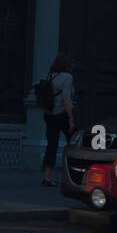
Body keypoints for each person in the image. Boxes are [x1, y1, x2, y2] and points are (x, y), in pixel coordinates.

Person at [41, 52, 76, 187]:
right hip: (62, 114)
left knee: (51, 145)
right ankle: (73, 174)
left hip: (49, 114)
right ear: (67, 64)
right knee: (74, 143)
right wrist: (71, 118)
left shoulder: (50, 75)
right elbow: (66, 99)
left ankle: (47, 177)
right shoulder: (67, 77)